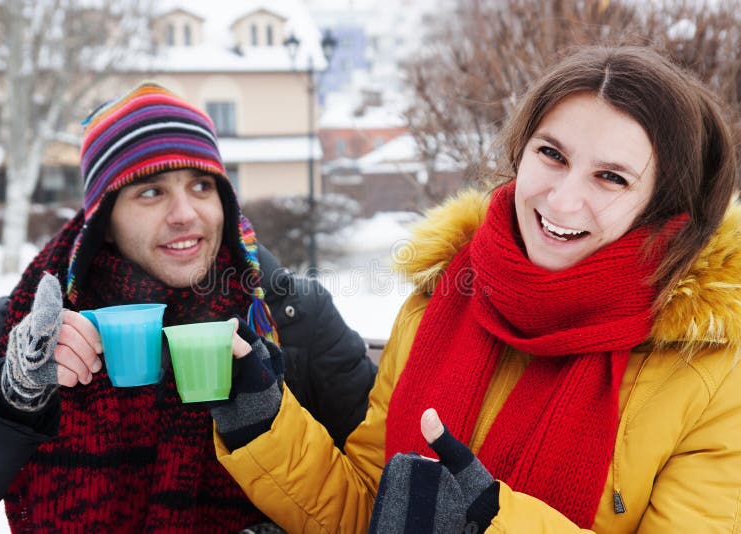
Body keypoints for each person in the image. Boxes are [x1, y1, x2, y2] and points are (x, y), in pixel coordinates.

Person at [213, 45, 741, 532]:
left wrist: (492, 520)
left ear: (663, 206)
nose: (562, 201)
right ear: (521, 152)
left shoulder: (710, 373)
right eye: (552, 154)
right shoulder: (435, 301)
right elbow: (368, 510)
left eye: (612, 178)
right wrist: (264, 423)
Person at [0, 82, 376, 532]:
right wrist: (11, 397)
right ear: (104, 221)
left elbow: (376, 498)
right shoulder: (24, 328)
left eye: (202, 185)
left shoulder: (290, 316)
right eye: (151, 192)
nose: (185, 213)